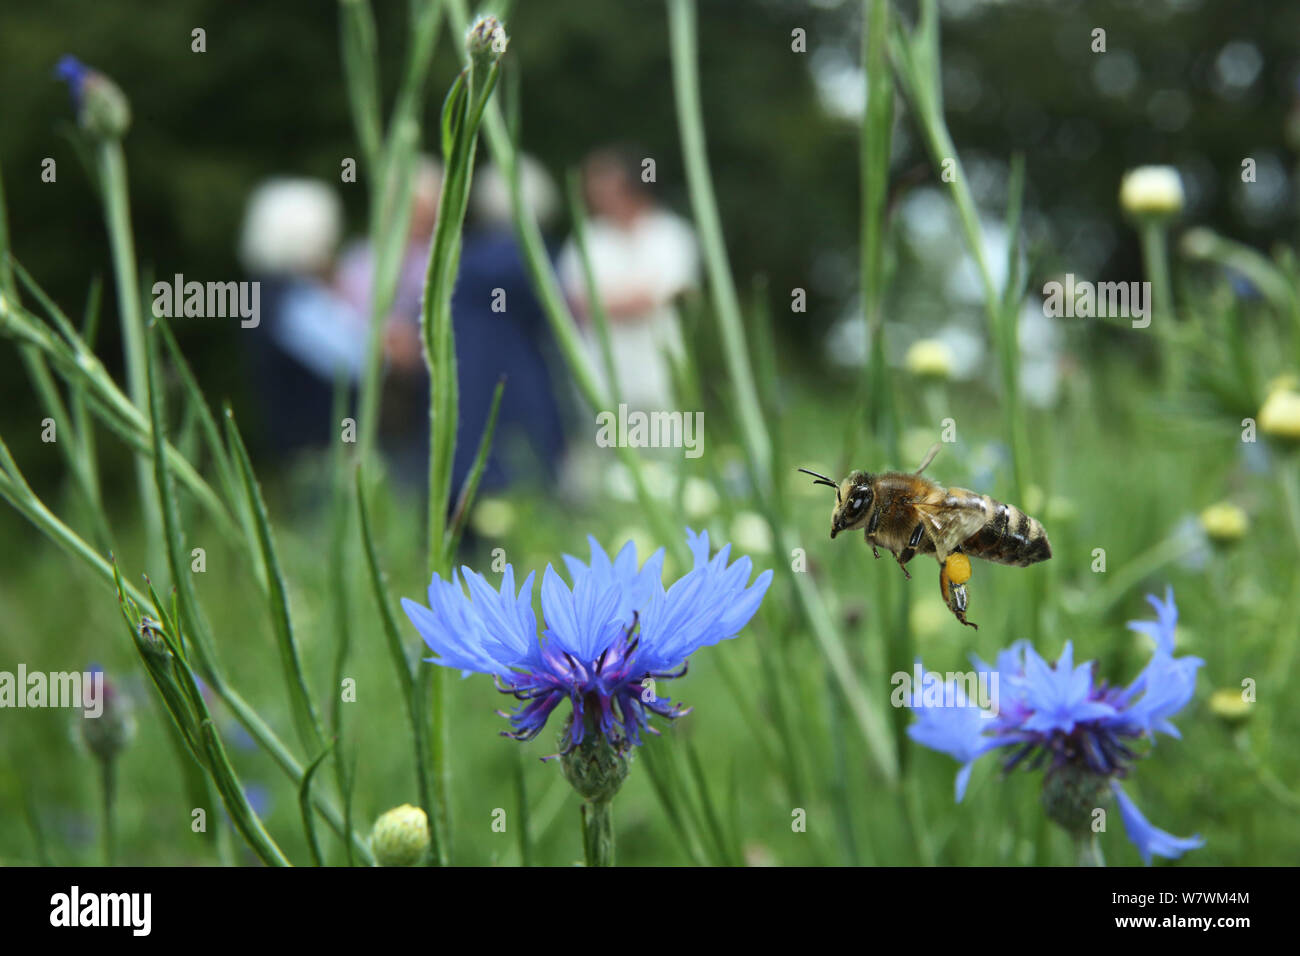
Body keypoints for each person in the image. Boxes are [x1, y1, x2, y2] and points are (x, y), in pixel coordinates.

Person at [450, 156, 567, 492]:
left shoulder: (465, 257)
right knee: (526, 466)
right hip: (521, 372)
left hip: (464, 375)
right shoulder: (537, 258)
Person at [558, 146, 699, 413]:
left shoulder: (671, 234)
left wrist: (607, 301)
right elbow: (577, 304)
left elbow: (658, 298)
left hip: (661, 376)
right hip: (600, 375)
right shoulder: (586, 237)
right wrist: (633, 296)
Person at [236, 177, 364, 454]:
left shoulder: (261, 294)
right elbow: (357, 361)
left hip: (295, 442)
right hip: (319, 449)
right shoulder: (289, 299)